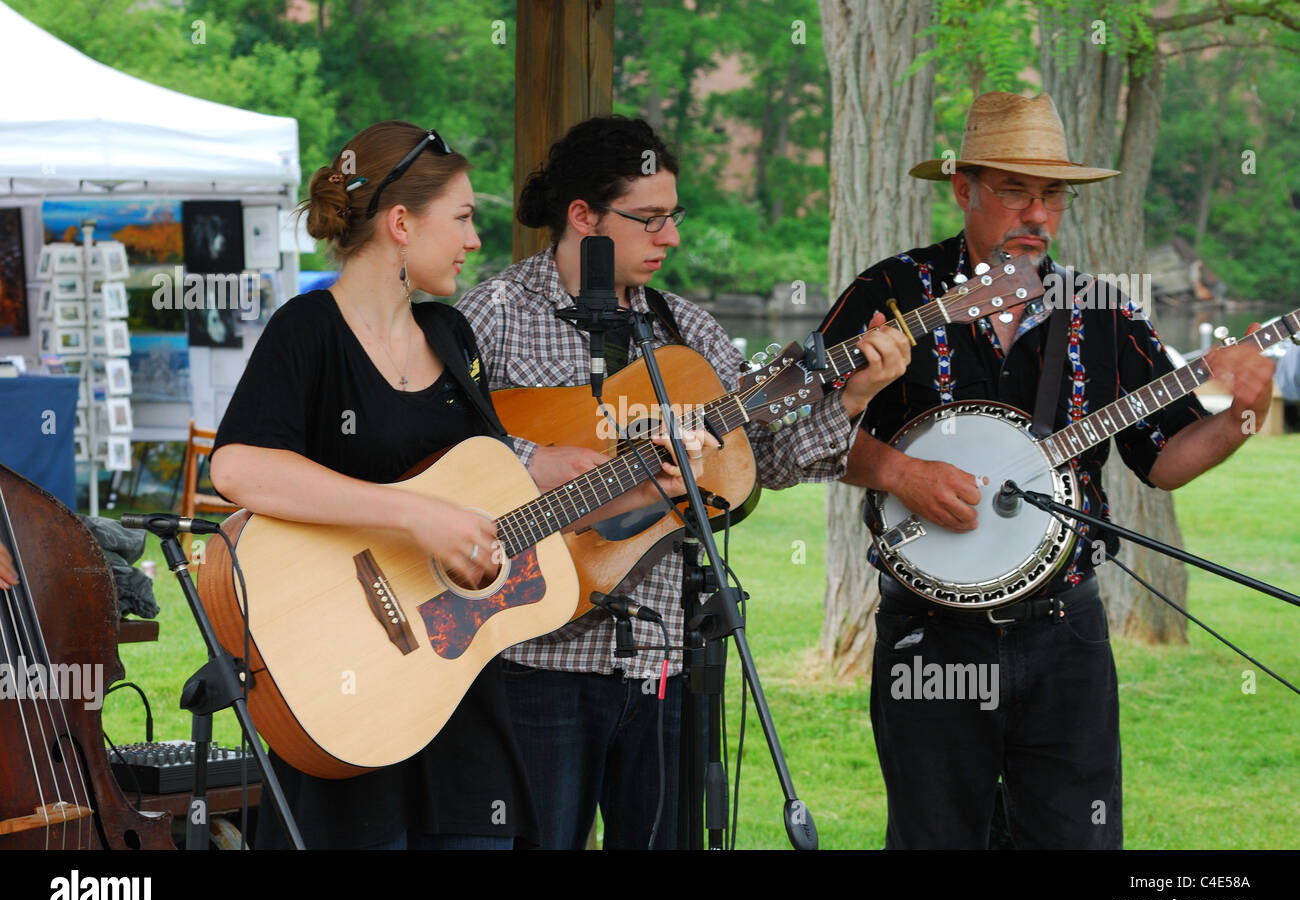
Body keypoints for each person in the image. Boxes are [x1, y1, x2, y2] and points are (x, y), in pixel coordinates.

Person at [819, 91, 1275, 850]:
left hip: (1065, 633)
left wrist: (1239, 418)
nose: (1036, 213)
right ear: (963, 188)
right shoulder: (891, 293)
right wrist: (898, 472)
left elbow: (1163, 460)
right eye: (1014, 191)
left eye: (1053, 194)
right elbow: (801, 430)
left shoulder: (1102, 311)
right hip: (930, 635)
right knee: (934, 837)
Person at [459, 115, 909, 849]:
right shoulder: (493, 315)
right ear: (583, 216)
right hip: (532, 652)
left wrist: (852, 397)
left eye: (675, 216)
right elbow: (436, 445)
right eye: (649, 218)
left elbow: (762, 461)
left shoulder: (686, 331)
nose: (669, 237)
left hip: (662, 652)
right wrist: (539, 459)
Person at [210, 121, 547, 850]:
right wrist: (414, 516)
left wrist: (636, 481)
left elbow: (493, 490)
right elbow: (238, 467)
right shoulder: (309, 329)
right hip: (351, 685)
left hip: (460, 699)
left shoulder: (452, 336)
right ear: (401, 223)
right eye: (462, 218)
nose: (474, 241)